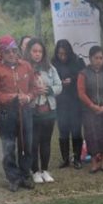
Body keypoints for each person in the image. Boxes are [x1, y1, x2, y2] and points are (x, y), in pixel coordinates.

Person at [0, 35, 37, 191]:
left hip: (26, 112)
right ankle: (13, 178)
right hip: (7, 114)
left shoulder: (26, 66)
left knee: (26, 145)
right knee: (8, 147)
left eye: (14, 50)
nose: (12, 54)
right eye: (8, 51)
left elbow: (34, 88)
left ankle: (25, 175)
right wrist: (10, 98)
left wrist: (28, 97)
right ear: (1, 53)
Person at [26, 38, 61, 183]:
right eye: (34, 51)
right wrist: (33, 91)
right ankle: (35, 171)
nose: (37, 54)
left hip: (49, 110)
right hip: (33, 110)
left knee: (46, 141)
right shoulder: (24, 68)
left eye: (40, 51)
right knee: (34, 142)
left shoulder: (50, 68)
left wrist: (49, 90)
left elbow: (59, 85)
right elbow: (21, 87)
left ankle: (45, 170)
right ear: (29, 52)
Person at [78, 45, 103, 174]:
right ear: (90, 58)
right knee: (92, 135)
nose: (98, 60)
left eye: (101, 58)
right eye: (96, 58)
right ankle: (94, 163)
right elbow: (81, 93)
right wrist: (92, 106)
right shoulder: (83, 74)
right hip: (89, 110)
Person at [52, 39, 85, 170]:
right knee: (63, 130)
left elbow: (84, 76)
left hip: (75, 101)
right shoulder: (53, 63)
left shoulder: (77, 61)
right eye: (60, 54)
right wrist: (60, 82)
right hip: (61, 102)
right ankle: (65, 159)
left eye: (65, 54)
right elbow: (51, 80)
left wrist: (73, 79)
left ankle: (77, 158)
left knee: (76, 130)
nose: (62, 57)